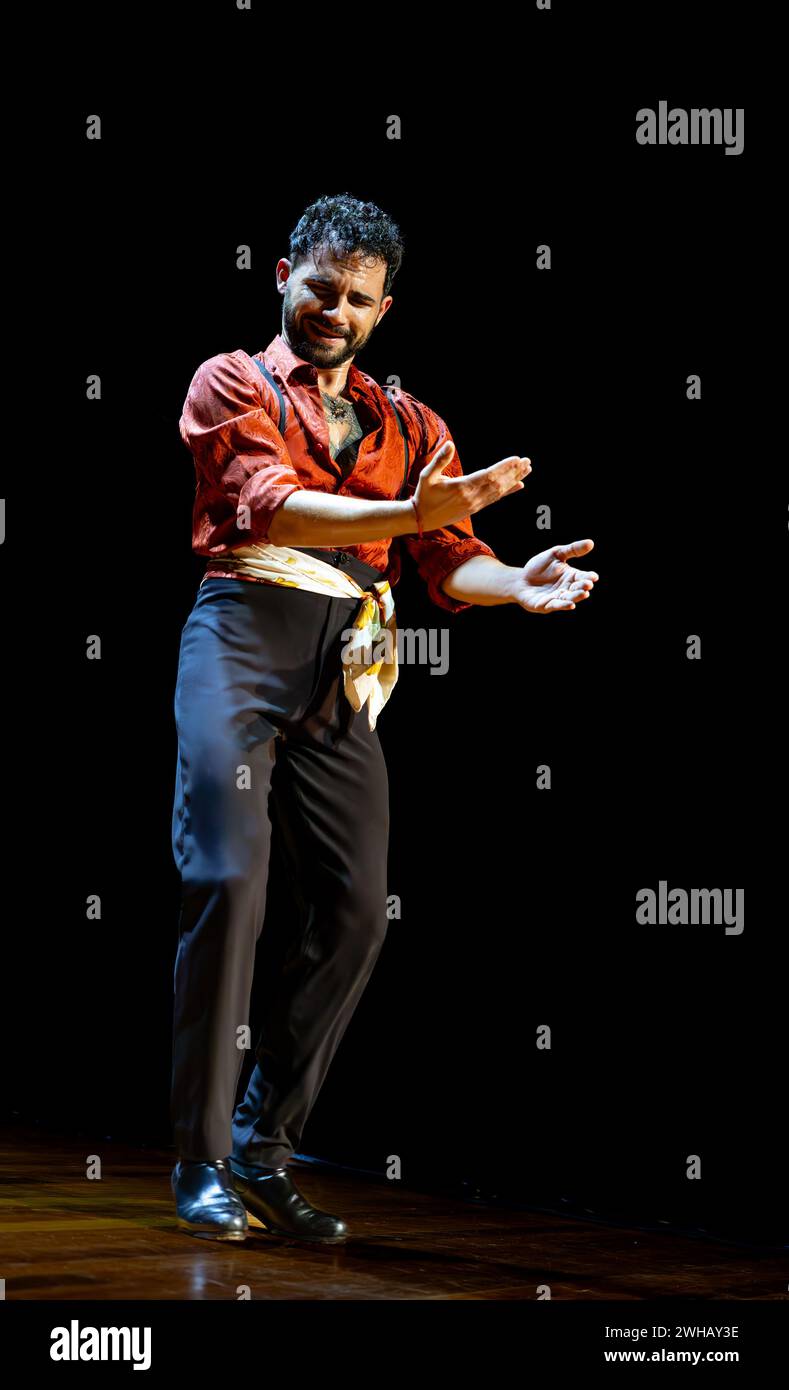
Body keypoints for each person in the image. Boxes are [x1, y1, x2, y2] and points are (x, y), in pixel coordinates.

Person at [170, 192, 600, 1242]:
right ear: (285, 278)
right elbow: (268, 503)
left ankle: (267, 1149)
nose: (336, 309)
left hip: (347, 662)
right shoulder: (233, 381)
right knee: (230, 878)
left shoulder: (411, 424)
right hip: (244, 631)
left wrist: (518, 582)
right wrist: (413, 515)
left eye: (358, 299)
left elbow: (454, 558)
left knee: (360, 910)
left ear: (383, 310)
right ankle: (202, 1157)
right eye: (320, 288)